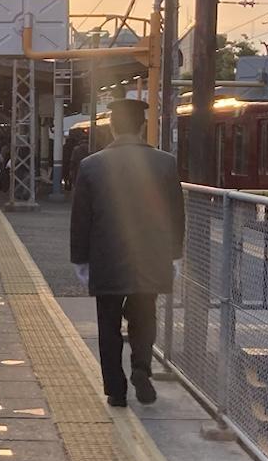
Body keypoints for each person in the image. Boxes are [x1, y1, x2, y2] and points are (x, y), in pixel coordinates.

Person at [70, 98, 184, 408]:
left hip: (106, 258)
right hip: (151, 256)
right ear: (143, 126)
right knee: (144, 316)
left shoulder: (91, 165)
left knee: (107, 325)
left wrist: (80, 259)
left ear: (112, 128)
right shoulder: (165, 163)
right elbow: (176, 214)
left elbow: (81, 218)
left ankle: (115, 390)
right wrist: (175, 254)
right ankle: (141, 369)